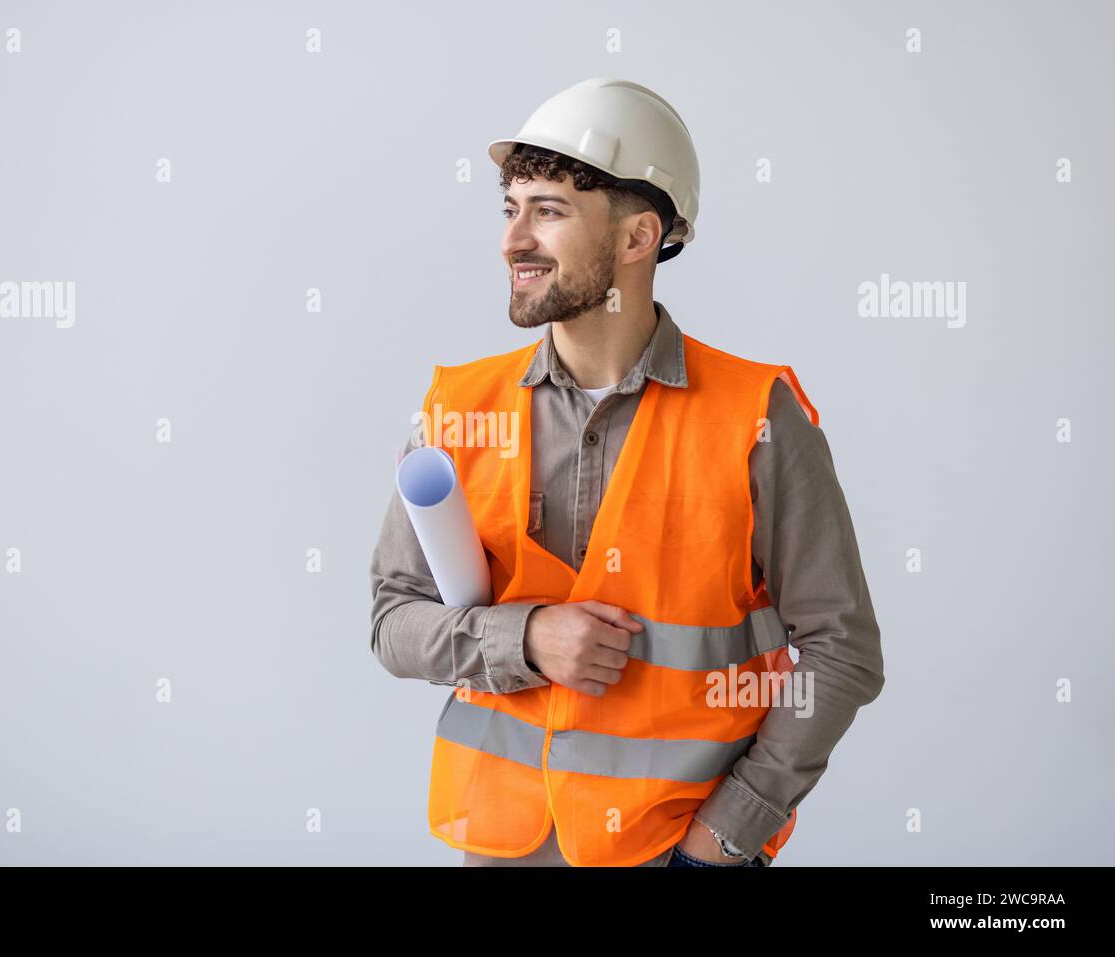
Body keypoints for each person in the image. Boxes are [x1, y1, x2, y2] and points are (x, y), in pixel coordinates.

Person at [369, 78, 884, 867]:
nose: (513, 240)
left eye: (549, 210)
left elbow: (841, 650)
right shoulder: (458, 407)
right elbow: (392, 621)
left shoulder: (757, 416)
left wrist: (725, 836)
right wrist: (528, 636)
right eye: (510, 209)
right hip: (505, 845)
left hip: (677, 848)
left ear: (640, 237)